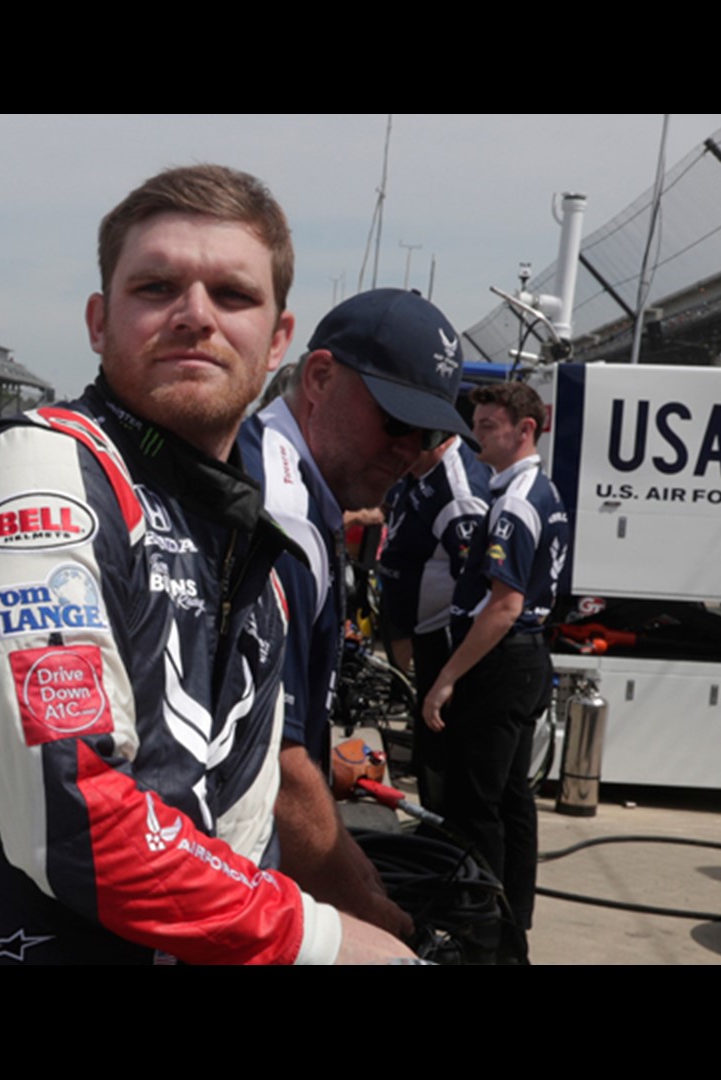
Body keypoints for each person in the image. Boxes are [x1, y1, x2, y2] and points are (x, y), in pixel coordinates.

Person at [0, 164, 412, 964]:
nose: (195, 315)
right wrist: (325, 937)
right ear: (99, 323)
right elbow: (73, 812)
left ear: (277, 342)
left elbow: (243, 827)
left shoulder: (251, 549)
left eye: (232, 295)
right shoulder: (40, 473)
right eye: (156, 287)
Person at [238, 288, 473, 939]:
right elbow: (270, 763)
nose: (412, 449)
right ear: (318, 377)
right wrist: (371, 913)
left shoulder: (298, 484)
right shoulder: (278, 507)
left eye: (430, 434)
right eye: (396, 421)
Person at [421, 381, 569, 963]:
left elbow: (504, 606)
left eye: (486, 426)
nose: (475, 435)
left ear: (523, 429)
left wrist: (447, 677)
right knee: (511, 801)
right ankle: (510, 932)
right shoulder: (539, 489)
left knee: (475, 805)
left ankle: (484, 938)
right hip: (526, 658)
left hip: (501, 661)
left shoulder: (512, 504)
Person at [379, 435, 490, 815]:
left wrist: (451, 675)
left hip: (447, 643)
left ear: (437, 440)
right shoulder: (421, 469)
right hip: (424, 635)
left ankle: (447, 844)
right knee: (428, 755)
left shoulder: (458, 494)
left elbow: (478, 590)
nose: (401, 450)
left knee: (443, 761)